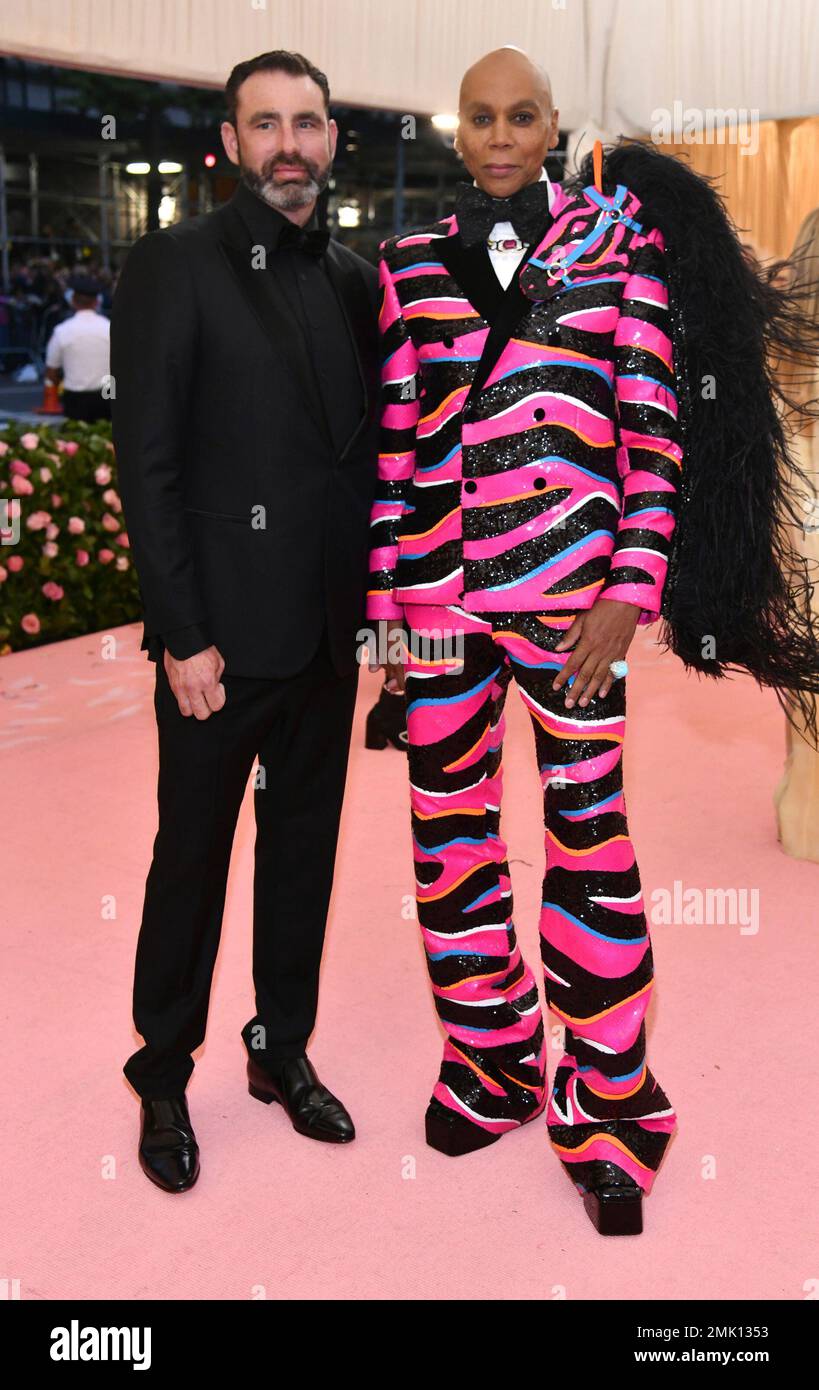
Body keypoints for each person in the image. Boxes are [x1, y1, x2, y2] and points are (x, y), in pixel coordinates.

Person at [366, 46, 819, 1235]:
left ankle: (610, 1108)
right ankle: (489, 1064)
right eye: (481, 117)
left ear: (553, 125)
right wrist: (383, 609)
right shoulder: (409, 263)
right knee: (449, 848)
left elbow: (654, 433)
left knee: (591, 848)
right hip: (437, 614)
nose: (503, 134)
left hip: (578, 612)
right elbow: (397, 446)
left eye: (523, 115)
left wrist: (632, 584)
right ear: (455, 132)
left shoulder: (618, 254)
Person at [111, 49, 379, 1193]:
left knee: (303, 862)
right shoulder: (176, 264)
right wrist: (181, 636)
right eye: (263, 122)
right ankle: (162, 1069)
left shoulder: (358, 280)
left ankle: (281, 1049)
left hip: (326, 641)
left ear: (330, 138)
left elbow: (360, 460)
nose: (287, 142)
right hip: (216, 651)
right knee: (190, 864)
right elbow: (151, 465)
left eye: (305, 122)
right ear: (230, 143)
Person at [44, 274, 111, 421]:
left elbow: (51, 370)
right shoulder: (109, 327)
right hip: (108, 392)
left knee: (77, 439)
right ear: (96, 302)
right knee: (109, 438)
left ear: (73, 301)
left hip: (75, 395)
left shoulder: (62, 330)